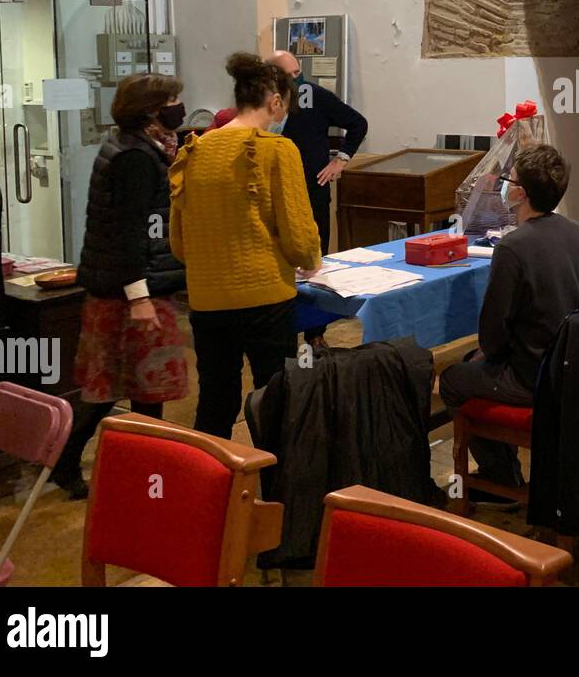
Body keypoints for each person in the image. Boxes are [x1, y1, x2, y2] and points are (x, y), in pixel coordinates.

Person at [170, 52, 322, 438]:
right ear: (275, 102)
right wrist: (309, 261)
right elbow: (299, 233)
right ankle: (276, 491)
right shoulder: (276, 150)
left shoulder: (192, 150)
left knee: (215, 401)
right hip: (264, 298)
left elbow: (179, 242)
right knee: (275, 402)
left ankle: (211, 488)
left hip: (206, 301)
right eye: (284, 106)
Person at [52, 74, 190, 499]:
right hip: (131, 290)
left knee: (116, 387)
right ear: (151, 110)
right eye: (171, 101)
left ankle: (118, 467)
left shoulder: (133, 146)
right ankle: (146, 477)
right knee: (136, 386)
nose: (177, 108)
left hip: (127, 285)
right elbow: (130, 234)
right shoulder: (136, 158)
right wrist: (140, 296)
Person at [439, 144, 579, 505]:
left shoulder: (513, 247)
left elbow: (493, 335)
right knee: (470, 362)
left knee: (450, 380)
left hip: (533, 375)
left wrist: (484, 355)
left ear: (520, 192)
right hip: (573, 365)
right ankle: (502, 469)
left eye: (509, 180)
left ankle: (500, 477)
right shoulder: (578, 234)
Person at [266, 49, 368, 350]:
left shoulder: (313, 95)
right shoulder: (262, 105)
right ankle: (280, 329)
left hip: (312, 188)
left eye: (299, 73)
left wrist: (341, 160)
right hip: (274, 191)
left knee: (314, 261)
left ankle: (314, 332)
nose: (299, 80)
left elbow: (357, 123)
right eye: (291, 75)